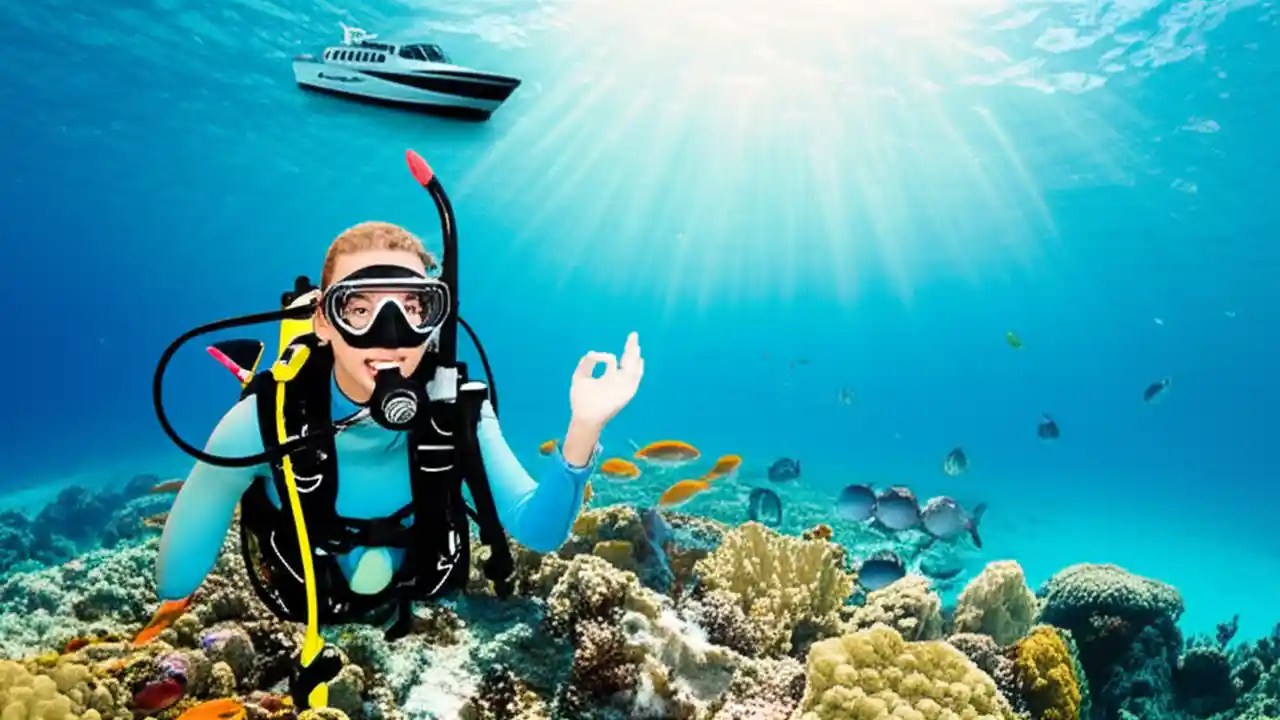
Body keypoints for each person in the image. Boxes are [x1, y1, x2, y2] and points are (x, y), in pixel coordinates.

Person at [149, 154, 643, 707]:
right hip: (306, 591)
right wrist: (170, 608)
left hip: (413, 583)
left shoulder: (456, 411)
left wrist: (584, 427)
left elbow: (538, 529)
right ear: (322, 320)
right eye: (358, 308)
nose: (390, 336)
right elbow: (179, 571)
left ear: (436, 321)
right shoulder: (264, 421)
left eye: (413, 307)